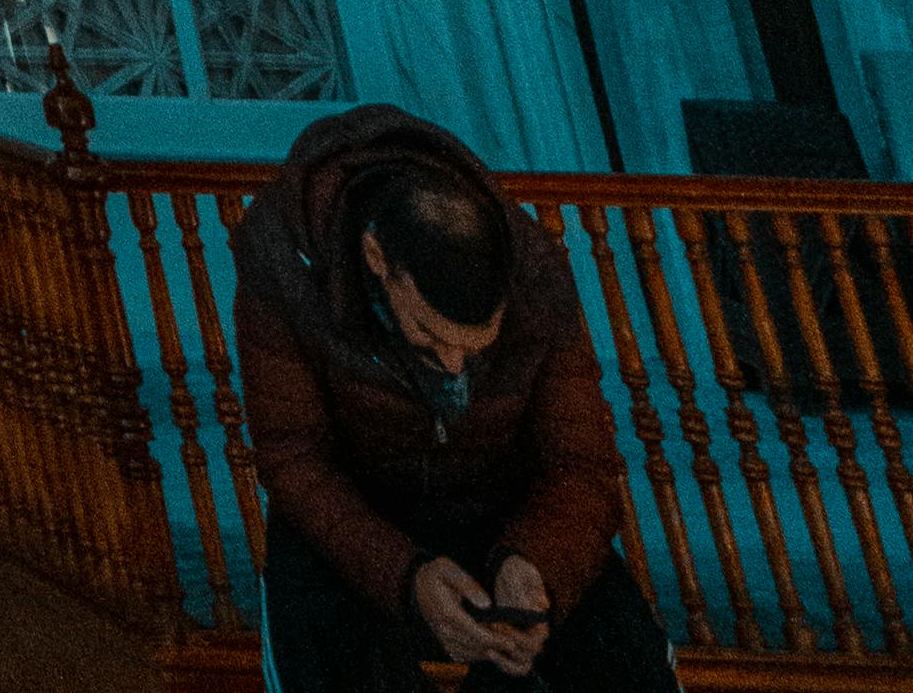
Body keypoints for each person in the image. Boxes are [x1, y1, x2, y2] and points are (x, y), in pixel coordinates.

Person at [232, 106, 673, 693]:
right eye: (431, 338)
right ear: (377, 259)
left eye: (475, 346)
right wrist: (405, 577)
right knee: (321, 644)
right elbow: (295, 461)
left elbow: (581, 464)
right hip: (354, 517)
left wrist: (535, 566)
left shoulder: (536, 270)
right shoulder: (284, 259)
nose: (454, 368)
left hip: (503, 509)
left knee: (627, 662)